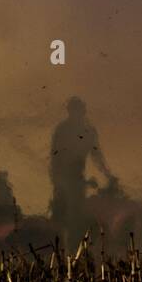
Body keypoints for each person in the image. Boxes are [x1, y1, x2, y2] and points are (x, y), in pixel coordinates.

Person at [49, 97, 115, 246]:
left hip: (77, 178)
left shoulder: (88, 131)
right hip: (64, 179)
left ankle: (75, 244)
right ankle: (66, 246)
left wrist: (108, 175)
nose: (76, 113)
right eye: (74, 110)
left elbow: (96, 155)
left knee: (76, 213)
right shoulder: (63, 130)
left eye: (78, 110)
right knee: (66, 215)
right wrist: (58, 181)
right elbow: (55, 157)